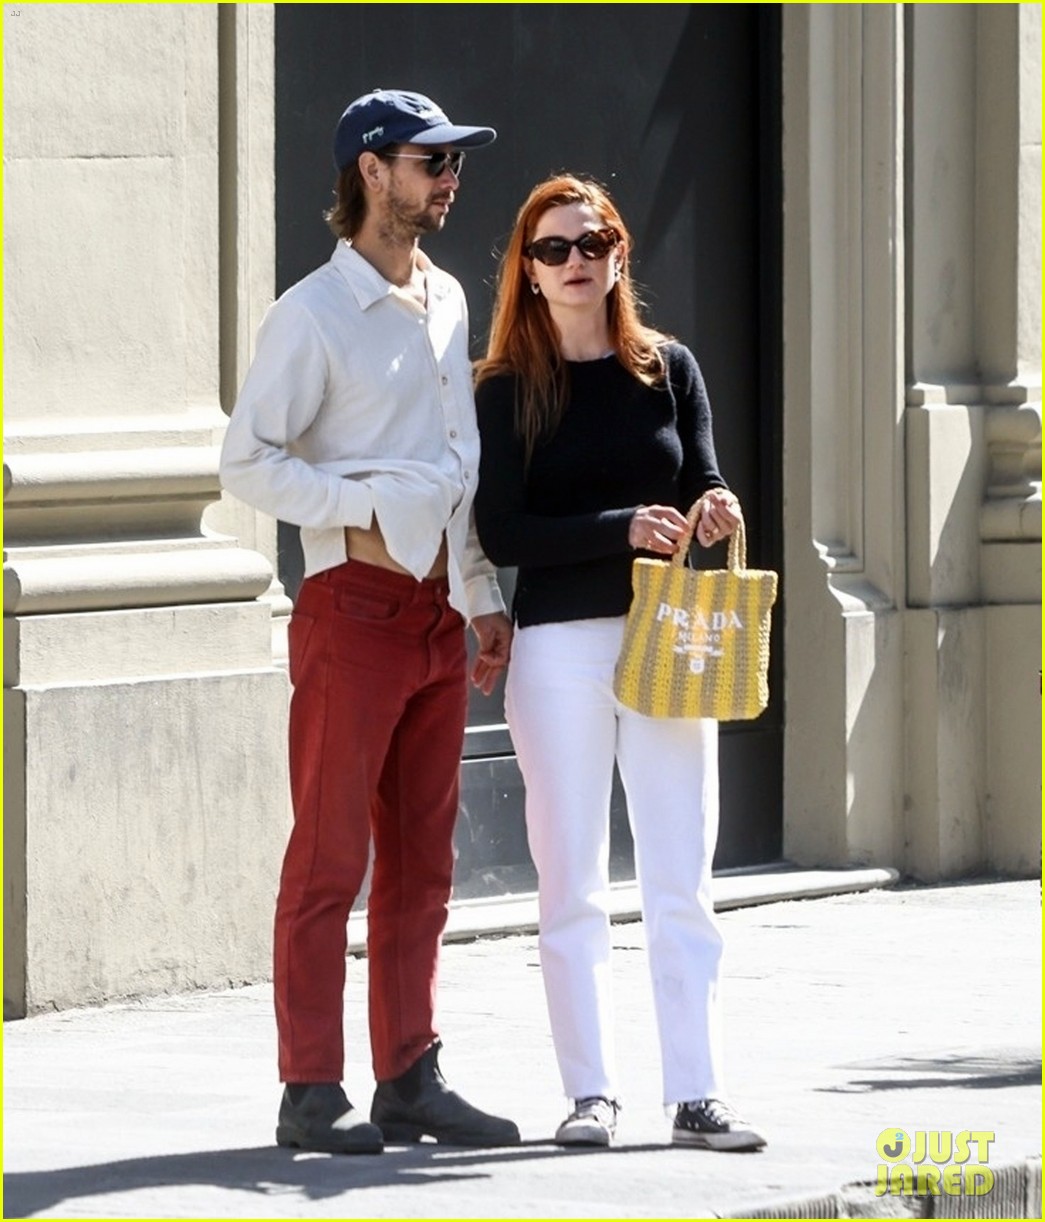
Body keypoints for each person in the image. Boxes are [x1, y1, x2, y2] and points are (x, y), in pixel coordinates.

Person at [220, 89, 520, 1155]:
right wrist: (368, 506)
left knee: (424, 867)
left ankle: (409, 1076)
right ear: (369, 170)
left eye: (451, 159)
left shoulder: (444, 297)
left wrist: (478, 593)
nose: (447, 175)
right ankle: (310, 1088)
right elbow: (246, 461)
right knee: (330, 858)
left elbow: (459, 464)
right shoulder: (310, 313)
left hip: (439, 615)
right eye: (427, 159)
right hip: (351, 609)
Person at [473, 175, 766, 1152]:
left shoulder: (667, 367)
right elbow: (502, 529)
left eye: (591, 241)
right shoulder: (506, 386)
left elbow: (702, 475)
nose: (574, 261)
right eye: (552, 248)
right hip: (558, 646)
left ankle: (697, 1091)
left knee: (682, 872)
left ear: (619, 252)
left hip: (667, 639)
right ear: (527, 266)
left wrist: (713, 505)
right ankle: (590, 1092)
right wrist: (615, 527)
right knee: (572, 882)